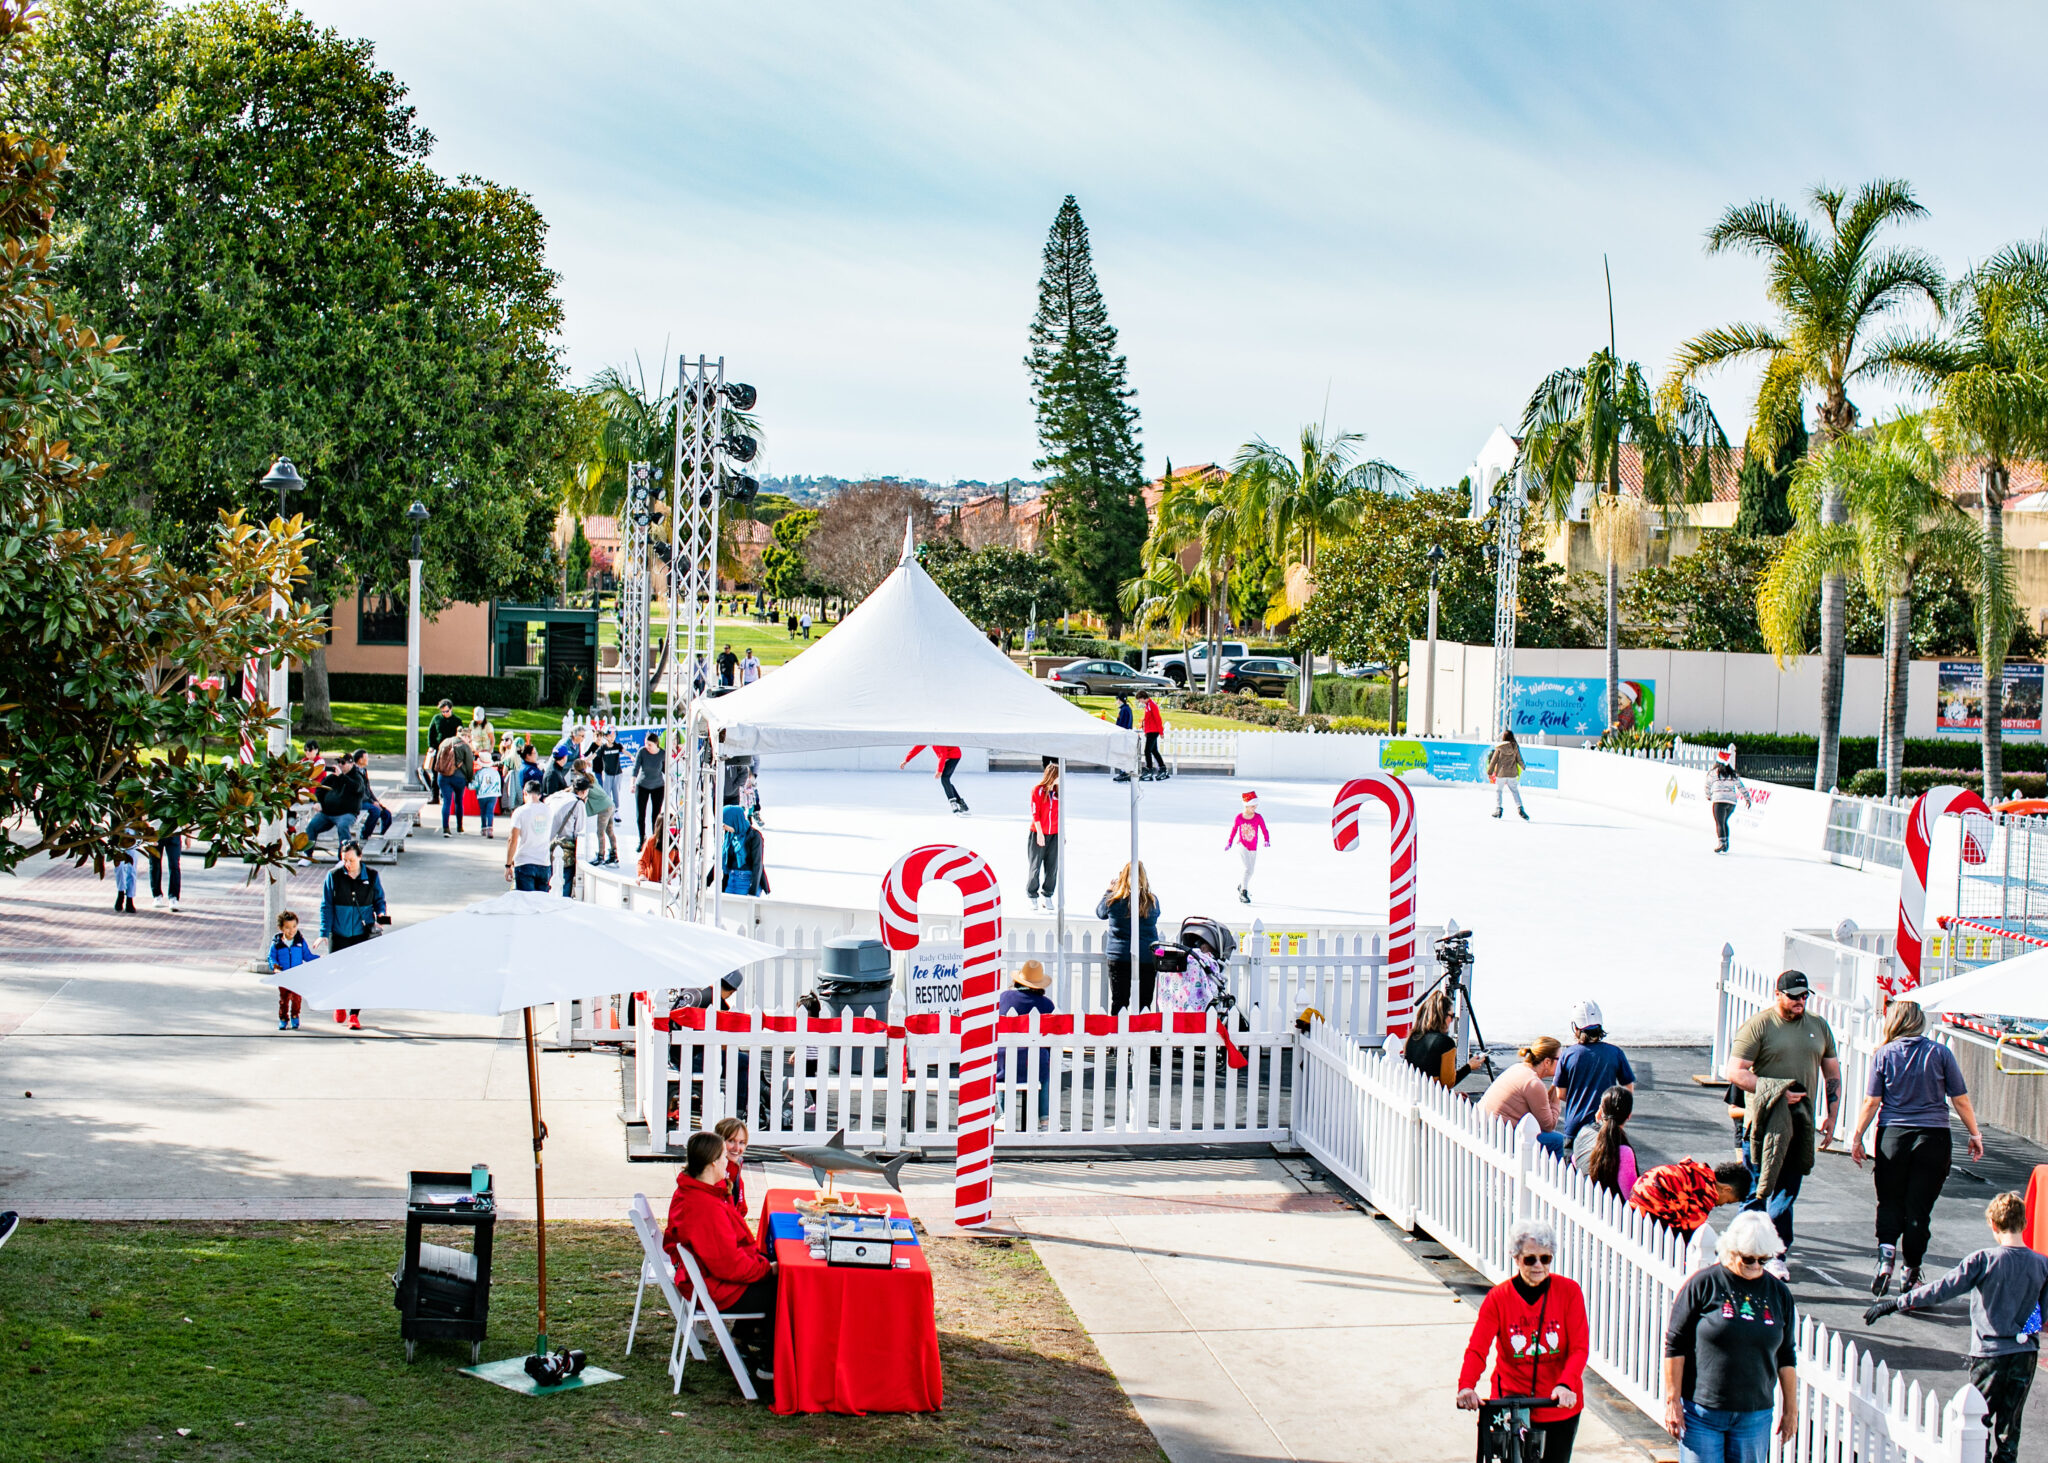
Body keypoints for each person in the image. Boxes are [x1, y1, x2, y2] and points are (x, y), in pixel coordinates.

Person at [1865, 1192, 2048, 1463]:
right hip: (2024, 1353)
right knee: (2010, 1427)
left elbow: (1942, 1289)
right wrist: (2023, 1330)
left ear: (1994, 1226)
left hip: (1990, 1353)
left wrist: (1896, 1303)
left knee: (1977, 1422)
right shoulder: (2042, 1264)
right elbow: (2042, 1313)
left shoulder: (1984, 1260)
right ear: (2024, 1223)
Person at [1850, 998, 1984, 1295]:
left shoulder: (1883, 1054)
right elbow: (1959, 1099)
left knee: (1889, 1200)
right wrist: (1975, 1134)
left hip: (1893, 1136)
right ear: (1919, 1021)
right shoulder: (1940, 1053)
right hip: (1933, 1137)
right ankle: (1910, 1270)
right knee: (1918, 1207)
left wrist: (1857, 1137)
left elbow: (1872, 1101)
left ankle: (1886, 1256)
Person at [1662, 1209, 1799, 1463]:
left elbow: (1786, 1355)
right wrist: (1672, 1400)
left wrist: (1791, 1409)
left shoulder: (1779, 1294)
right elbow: (1675, 1344)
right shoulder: (1704, 1284)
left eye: (1763, 1259)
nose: (1756, 1266)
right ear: (1731, 1250)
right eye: (1748, 1259)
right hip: (1703, 1412)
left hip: (1754, 1415)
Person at [1726, 969, 1839, 1264]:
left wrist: (1831, 1116)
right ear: (1778, 995)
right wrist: (1775, 1091)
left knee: (1787, 1191)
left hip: (1800, 1124)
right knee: (1757, 1190)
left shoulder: (1818, 1027)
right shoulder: (1759, 1026)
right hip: (1763, 1124)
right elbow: (1735, 1072)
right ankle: (1741, 1249)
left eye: (1804, 996)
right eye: (1794, 997)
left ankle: (1776, 1252)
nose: (1800, 1001)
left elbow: (1832, 1074)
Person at [1456, 1218, 1590, 1463]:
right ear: (1516, 1259)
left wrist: (1566, 1385)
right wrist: (1467, 1385)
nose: (1538, 1265)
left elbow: (1579, 1348)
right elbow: (1477, 1348)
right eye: (1530, 1259)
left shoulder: (1569, 1292)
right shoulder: (1499, 1298)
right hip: (1511, 1404)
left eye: (1545, 1258)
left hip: (1557, 1405)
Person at [663, 1131, 776, 1384]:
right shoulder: (705, 1206)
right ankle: (770, 1362)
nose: (729, 1161)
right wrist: (767, 1268)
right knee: (785, 1289)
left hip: (705, 1282)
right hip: (715, 1289)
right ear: (713, 1162)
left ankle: (744, 1340)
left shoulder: (695, 1191)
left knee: (773, 1273)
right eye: (725, 1156)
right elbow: (730, 1266)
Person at [319, 841, 388, 1030]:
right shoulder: (333, 876)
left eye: (351, 860)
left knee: (359, 972)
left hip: (361, 933)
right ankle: (339, 1002)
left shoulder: (372, 876)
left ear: (360, 857)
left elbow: (379, 900)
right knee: (337, 971)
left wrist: (381, 914)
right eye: (344, 860)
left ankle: (354, 1015)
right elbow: (326, 905)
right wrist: (324, 932)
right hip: (339, 932)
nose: (347, 864)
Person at [1555, 1000, 1635, 1144]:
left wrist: (1579, 1097)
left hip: (1575, 1126)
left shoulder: (1568, 1055)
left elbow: (1560, 1093)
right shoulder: (1615, 1053)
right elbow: (1628, 1087)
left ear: (1575, 1027)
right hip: (1605, 1126)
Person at [1477, 1037, 1567, 1156]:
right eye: (1560, 1060)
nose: (1562, 1065)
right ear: (1547, 1062)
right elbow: (1548, 1126)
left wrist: (1555, 1083)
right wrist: (1559, 1085)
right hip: (1500, 1137)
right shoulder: (1533, 1083)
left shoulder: (1518, 1068)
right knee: (1558, 1141)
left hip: (1485, 1129)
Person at [1630, 1159, 1754, 1238]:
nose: (1721, 1205)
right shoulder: (1706, 1195)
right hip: (1652, 1203)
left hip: (1638, 1194)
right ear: (1726, 1189)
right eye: (1727, 1201)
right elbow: (1690, 1230)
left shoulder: (1699, 1173)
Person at [996, 959, 1056, 1119]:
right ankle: (1044, 1118)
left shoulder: (1003, 997)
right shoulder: (1047, 1005)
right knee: (1044, 1072)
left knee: (1001, 1074)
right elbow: (1049, 1038)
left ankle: (1004, 1115)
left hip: (1005, 1058)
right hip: (1033, 1061)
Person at [1097, 862, 1159, 1014]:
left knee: (1119, 1001)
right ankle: (1143, 1035)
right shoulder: (1152, 901)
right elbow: (1156, 915)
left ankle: (1118, 1036)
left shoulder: (1113, 900)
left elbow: (1100, 912)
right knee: (1144, 1003)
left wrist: (1109, 890)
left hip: (1119, 955)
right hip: (1146, 956)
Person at [1405, 988, 1486, 1088]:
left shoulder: (1413, 1037)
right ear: (1442, 1016)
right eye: (1451, 1016)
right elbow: (1448, 1082)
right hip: (1432, 1097)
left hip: (1412, 1091)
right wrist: (1469, 1067)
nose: (1451, 1020)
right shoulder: (1445, 1043)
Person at [1574, 1086, 1639, 1199]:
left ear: (1600, 1111)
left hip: (1583, 1201)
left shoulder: (1583, 1133)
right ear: (1628, 1116)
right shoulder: (1624, 1151)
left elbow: (1577, 1162)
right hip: (1612, 1212)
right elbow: (1631, 1195)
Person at [546, 774, 592, 898]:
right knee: (564, 883)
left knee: (549, 881)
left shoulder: (555, 797)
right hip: (565, 848)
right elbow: (579, 830)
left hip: (547, 845)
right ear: (583, 792)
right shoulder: (578, 804)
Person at [270, 909, 317, 1031]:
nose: (291, 930)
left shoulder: (300, 941)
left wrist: (320, 959)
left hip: (297, 977)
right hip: (284, 977)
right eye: (287, 927)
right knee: (284, 1000)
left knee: (297, 998)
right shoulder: (277, 943)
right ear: (281, 928)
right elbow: (272, 958)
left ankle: (295, 1016)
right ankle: (283, 1019)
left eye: (294, 926)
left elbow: (307, 956)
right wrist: (276, 968)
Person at [505, 783, 555, 892]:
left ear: (525, 793)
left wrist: (508, 864)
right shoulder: (548, 811)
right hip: (543, 862)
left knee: (525, 903)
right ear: (540, 795)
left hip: (524, 861)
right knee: (541, 903)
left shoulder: (520, 812)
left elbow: (512, 840)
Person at [1224, 790, 1271, 905]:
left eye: (1256, 805)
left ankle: (1242, 885)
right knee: (1247, 869)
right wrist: (1230, 842)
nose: (1255, 807)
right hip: (1242, 845)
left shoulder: (1258, 817)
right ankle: (1243, 892)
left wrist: (1266, 839)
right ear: (1247, 805)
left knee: (1251, 871)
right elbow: (1234, 830)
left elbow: (1264, 829)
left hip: (1253, 847)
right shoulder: (1239, 817)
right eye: (1253, 805)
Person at [1025, 764, 1059, 911]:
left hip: (1055, 834)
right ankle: (1032, 896)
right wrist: (1039, 833)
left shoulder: (1059, 792)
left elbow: (1060, 814)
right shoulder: (1038, 790)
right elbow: (1035, 813)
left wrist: (1062, 833)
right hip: (1038, 833)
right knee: (1035, 868)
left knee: (1052, 868)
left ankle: (1048, 895)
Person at [1705, 750, 1752, 855]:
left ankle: (1722, 843)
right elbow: (1740, 785)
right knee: (1724, 822)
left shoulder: (1713, 773)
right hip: (1731, 802)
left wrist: (1708, 795)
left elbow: (1707, 785)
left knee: (1719, 823)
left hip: (1719, 800)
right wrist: (1747, 798)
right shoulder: (1732, 773)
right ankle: (1725, 843)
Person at [716, 804, 769, 895]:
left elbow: (757, 864)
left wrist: (752, 891)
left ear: (733, 820)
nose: (723, 827)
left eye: (724, 824)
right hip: (731, 880)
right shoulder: (730, 836)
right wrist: (707, 882)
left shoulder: (754, 836)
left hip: (746, 881)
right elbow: (720, 859)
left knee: (741, 908)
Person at [902, 744, 968, 815]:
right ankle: (962, 804)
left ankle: (953, 803)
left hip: (954, 756)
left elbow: (943, 754)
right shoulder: (928, 737)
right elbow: (918, 747)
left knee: (945, 778)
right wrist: (906, 760)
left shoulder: (937, 738)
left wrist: (939, 770)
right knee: (946, 781)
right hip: (947, 757)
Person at [581, 759, 618, 867]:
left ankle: (601, 856)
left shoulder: (583, 781)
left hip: (604, 809)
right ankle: (613, 854)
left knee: (600, 832)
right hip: (609, 804)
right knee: (610, 831)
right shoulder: (590, 777)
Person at [436, 732, 474, 836]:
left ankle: (446, 828)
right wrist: (470, 779)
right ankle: (459, 827)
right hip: (459, 777)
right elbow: (469, 765)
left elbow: (438, 759)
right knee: (458, 801)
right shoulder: (465, 746)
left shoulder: (444, 742)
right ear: (465, 736)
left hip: (443, 776)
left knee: (446, 802)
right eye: (469, 739)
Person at [713, 1117, 751, 1217]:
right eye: (731, 1141)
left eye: (742, 1142)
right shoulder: (710, 1172)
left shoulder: (735, 1166)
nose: (737, 1148)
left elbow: (741, 1209)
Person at [424, 700, 462, 798]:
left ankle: (445, 795)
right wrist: (431, 746)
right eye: (443, 712)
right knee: (435, 773)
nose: (444, 714)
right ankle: (434, 796)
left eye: (447, 711)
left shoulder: (457, 721)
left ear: (451, 709)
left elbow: (460, 736)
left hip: (450, 751)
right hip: (438, 750)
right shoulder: (436, 719)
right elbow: (431, 733)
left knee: (449, 773)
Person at [1487, 730, 1529, 821]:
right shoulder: (1515, 746)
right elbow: (1519, 758)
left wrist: (1489, 772)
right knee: (1514, 791)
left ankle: (1498, 808)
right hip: (1512, 773)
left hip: (1501, 773)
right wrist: (1523, 766)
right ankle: (1520, 807)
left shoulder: (1499, 747)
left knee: (1499, 790)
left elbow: (1493, 760)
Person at [634, 733, 666, 842]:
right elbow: (636, 768)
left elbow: (665, 769)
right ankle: (641, 838)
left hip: (658, 786)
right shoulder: (642, 752)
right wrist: (632, 783)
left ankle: (654, 838)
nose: (647, 746)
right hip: (642, 785)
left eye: (649, 745)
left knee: (656, 816)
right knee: (640, 815)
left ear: (656, 744)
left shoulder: (662, 753)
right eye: (646, 744)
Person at [144, 824, 183, 911]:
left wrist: (187, 836)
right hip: (155, 831)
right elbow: (144, 816)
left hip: (174, 832)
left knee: (174, 865)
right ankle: (157, 895)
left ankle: (174, 897)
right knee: (154, 864)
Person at [472, 754, 502, 840]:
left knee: (483, 811)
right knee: (490, 811)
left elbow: (475, 784)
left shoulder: (478, 773)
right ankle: (490, 828)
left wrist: (469, 785)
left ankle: (483, 828)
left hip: (482, 795)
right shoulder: (495, 772)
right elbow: (498, 783)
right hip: (493, 794)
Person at [596, 726, 623, 820]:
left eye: (614, 735)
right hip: (607, 773)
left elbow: (625, 751)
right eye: (610, 736)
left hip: (617, 773)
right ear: (606, 736)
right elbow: (595, 755)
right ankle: (607, 810)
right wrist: (586, 760)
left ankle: (616, 811)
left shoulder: (618, 746)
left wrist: (631, 756)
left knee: (616, 792)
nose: (612, 738)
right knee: (606, 792)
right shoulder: (603, 747)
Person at [1140, 694, 1168, 780]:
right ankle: (1163, 768)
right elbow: (1148, 719)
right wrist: (1145, 730)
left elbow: (1157, 719)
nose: (1139, 701)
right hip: (1150, 731)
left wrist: (1161, 732)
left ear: (1143, 698)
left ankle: (1149, 770)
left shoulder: (1152, 705)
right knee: (1154, 750)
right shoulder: (1148, 705)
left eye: (1140, 699)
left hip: (1153, 731)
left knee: (1147, 751)